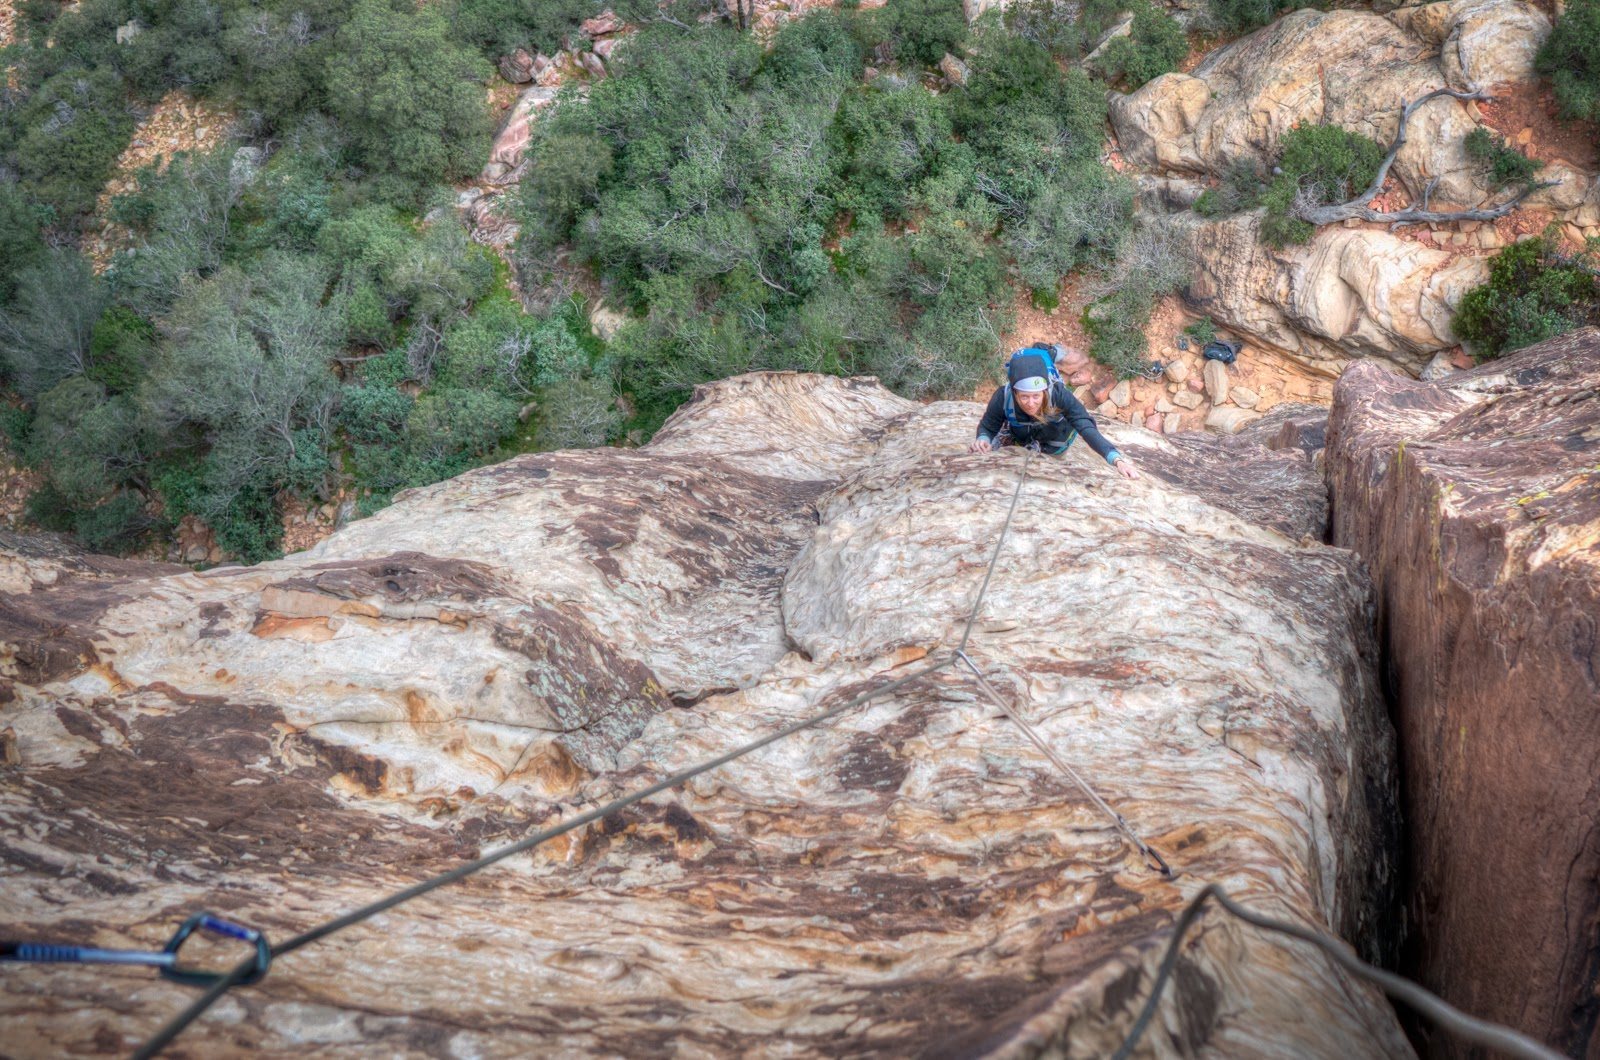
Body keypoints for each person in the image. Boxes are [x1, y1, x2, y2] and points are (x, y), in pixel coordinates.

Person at [969, 346, 1141, 480]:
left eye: (1036, 396)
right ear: (1014, 392)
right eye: (1024, 397)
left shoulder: (1059, 395)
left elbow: (1084, 425)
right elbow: (989, 425)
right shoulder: (1003, 396)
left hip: (1055, 441)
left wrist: (1115, 459)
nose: (1031, 403)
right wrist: (984, 438)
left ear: (1044, 391)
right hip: (1022, 438)